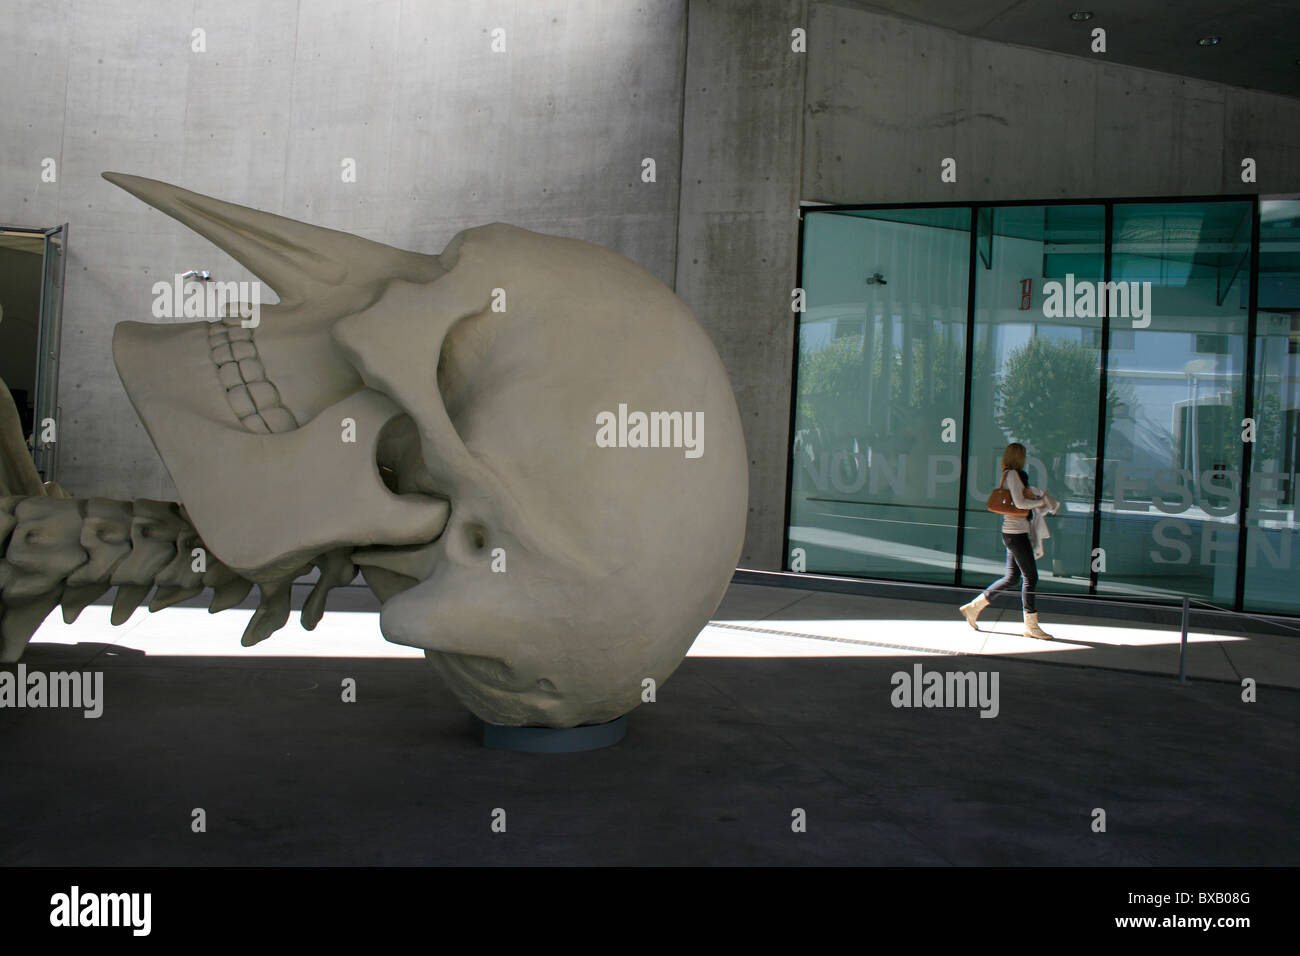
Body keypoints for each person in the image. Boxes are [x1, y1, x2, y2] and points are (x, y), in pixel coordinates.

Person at [959, 442, 1057, 640]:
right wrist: (1040, 502)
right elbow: (1020, 503)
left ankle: (973, 607)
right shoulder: (1012, 475)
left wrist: (1038, 497)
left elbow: (1022, 499)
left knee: (1012, 578)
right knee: (1031, 577)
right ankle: (1031, 625)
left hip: (1015, 533)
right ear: (1018, 456)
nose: (1026, 458)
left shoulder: (1017, 476)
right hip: (1015, 534)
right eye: (1024, 455)